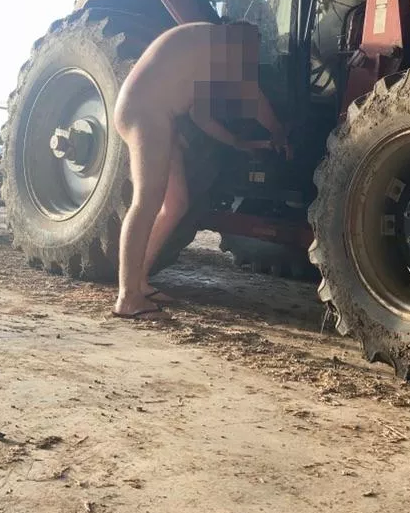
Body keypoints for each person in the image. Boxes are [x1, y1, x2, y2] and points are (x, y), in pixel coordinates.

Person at [112, 20, 287, 320]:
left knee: (175, 203)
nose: (250, 60)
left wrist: (237, 143)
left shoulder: (204, 54)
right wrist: (279, 133)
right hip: (145, 112)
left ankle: (140, 281)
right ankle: (127, 298)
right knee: (146, 201)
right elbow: (253, 96)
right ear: (242, 39)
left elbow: (201, 116)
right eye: (252, 52)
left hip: (162, 117)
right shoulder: (218, 41)